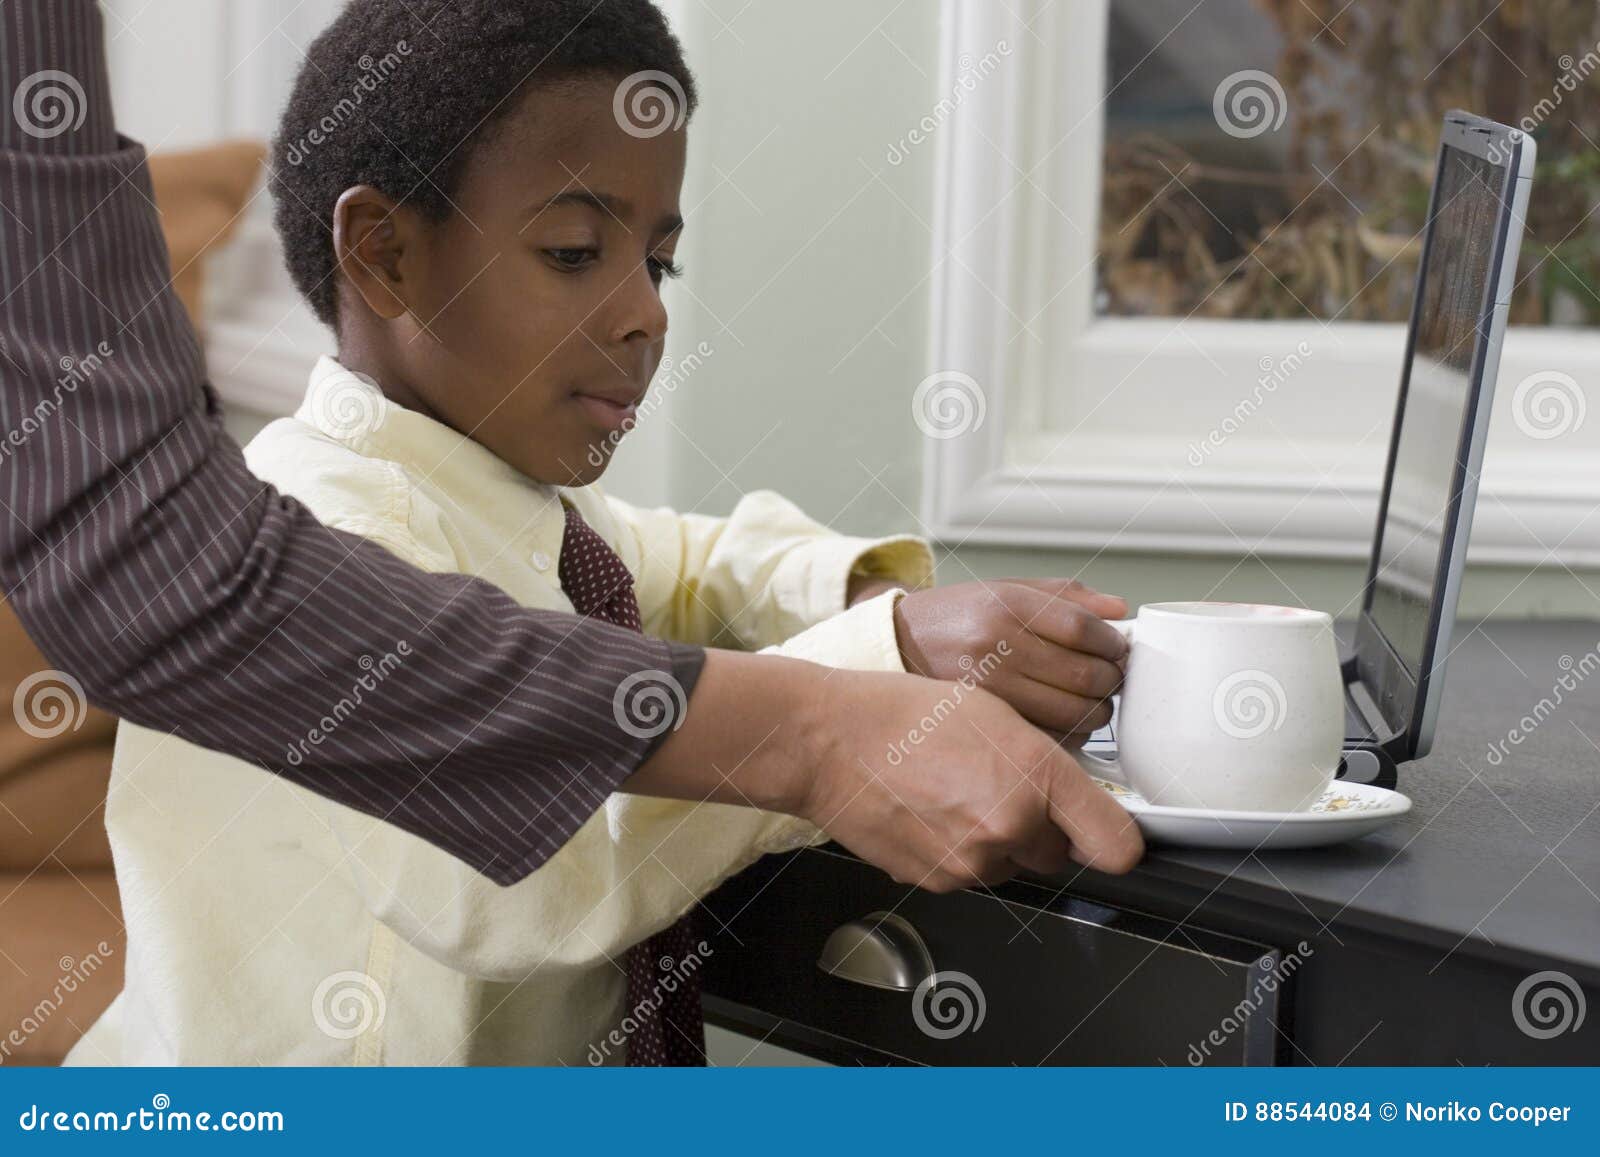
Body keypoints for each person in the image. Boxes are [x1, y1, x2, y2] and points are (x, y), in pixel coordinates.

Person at [2, 0, 1141, 1061]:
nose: (647, 311)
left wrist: (875, 607)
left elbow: (677, 566)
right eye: (572, 253)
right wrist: (862, 680)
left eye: (659, 261)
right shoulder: (329, 516)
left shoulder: (511, 502)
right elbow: (512, 876)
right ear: (385, 254)